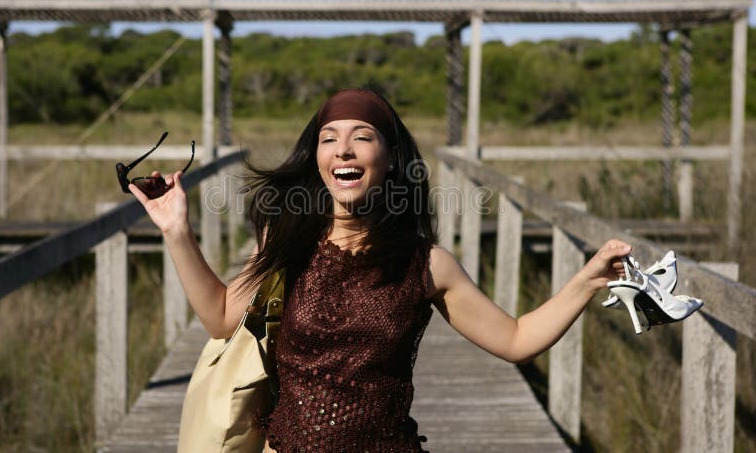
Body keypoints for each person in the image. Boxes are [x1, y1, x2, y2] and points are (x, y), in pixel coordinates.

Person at [129, 87, 632, 452]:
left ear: (389, 159)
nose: (343, 148)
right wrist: (176, 230)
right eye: (329, 139)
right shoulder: (288, 244)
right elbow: (220, 317)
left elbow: (517, 339)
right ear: (318, 158)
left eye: (362, 137)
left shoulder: (426, 264)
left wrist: (586, 281)